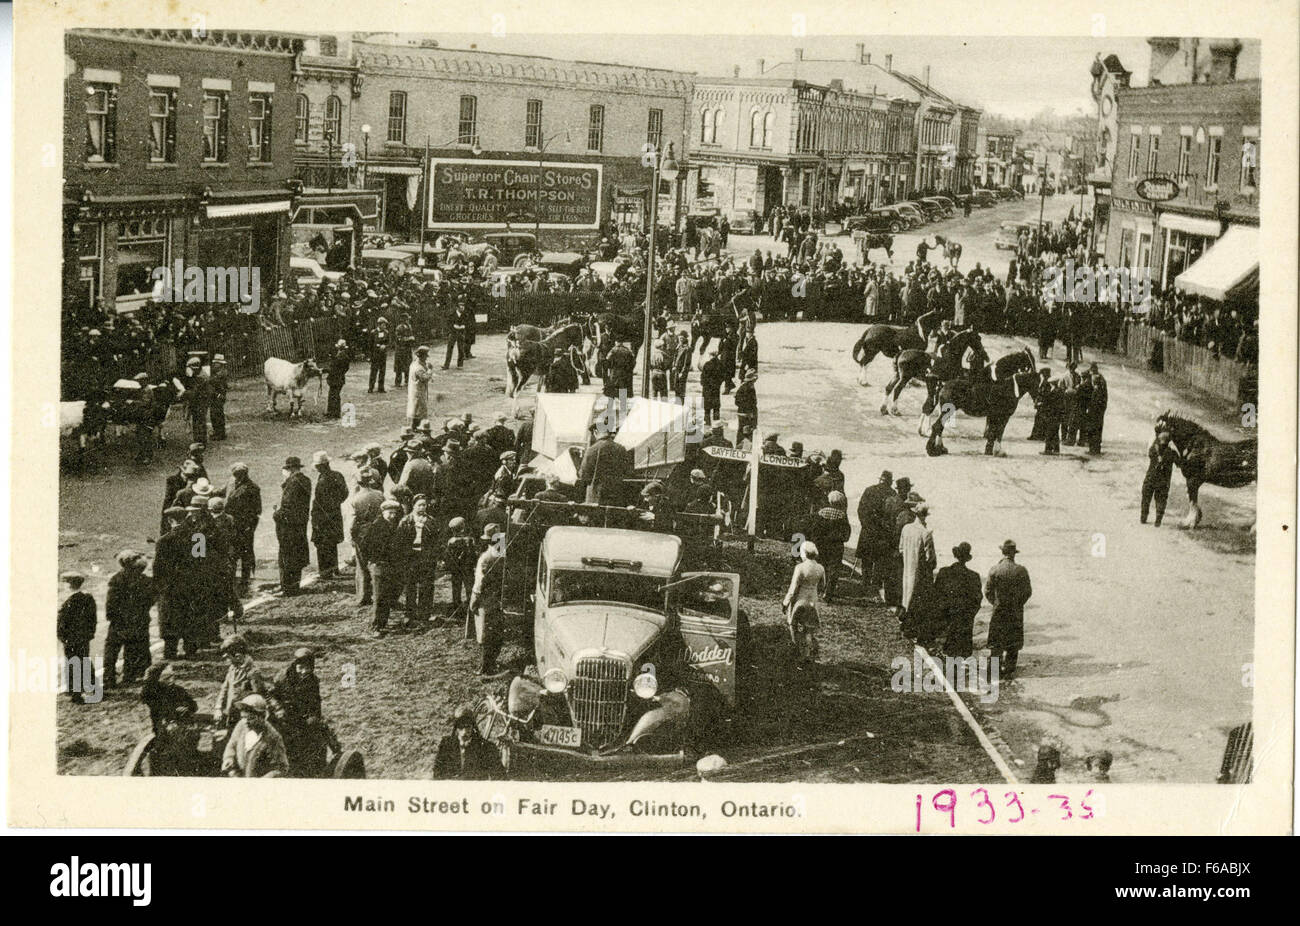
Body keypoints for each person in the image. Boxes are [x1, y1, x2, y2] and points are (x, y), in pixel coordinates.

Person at [269, 648, 336, 778]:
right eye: (300, 668)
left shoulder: (313, 680)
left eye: (307, 668)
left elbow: (316, 703)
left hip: (302, 716)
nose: (303, 672)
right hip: (283, 714)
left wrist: (314, 717)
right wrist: (278, 708)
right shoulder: (282, 677)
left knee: (316, 728)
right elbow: (270, 696)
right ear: (295, 665)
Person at [104, 550, 155, 687]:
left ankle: (109, 678)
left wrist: (111, 617)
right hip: (139, 619)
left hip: (119, 620)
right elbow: (151, 601)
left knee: (111, 650)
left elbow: (111, 603)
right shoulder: (146, 580)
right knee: (132, 648)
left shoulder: (116, 579)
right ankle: (129, 676)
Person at [985, 539, 1032, 676]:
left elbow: (987, 591)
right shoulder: (1021, 570)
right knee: (1013, 643)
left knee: (997, 643)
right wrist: (1017, 604)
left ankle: (994, 671)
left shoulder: (995, 570)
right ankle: (1009, 671)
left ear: (1003, 552)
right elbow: (1027, 592)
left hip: (999, 611)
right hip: (1015, 612)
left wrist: (996, 603)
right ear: (1014, 554)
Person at [362, 500, 404, 638]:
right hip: (379, 565)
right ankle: (375, 626)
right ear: (383, 512)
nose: (392, 515)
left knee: (387, 595)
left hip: (390, 565)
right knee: (379, 597)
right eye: (389, 513)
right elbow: (364, 546)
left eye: (394, 513)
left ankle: (383, 623)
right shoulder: (375, 526)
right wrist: (372, 561)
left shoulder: (393, 525)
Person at [221, 694, 289, 778]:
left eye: (250, 718)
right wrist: (228, 759)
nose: (246, 721)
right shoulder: (241, 725)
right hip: (239, 780)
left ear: (261, 717)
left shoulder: (273, 737)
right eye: (243, 717)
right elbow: (232, 744)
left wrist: (260, 782)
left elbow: (281, 768)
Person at [932, 542, 982, 657]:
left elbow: (935, 596)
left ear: (955, 555)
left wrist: (942, 615)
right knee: (963, 656)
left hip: (947, 621)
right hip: (965, 623)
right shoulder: (974, 576)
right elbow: (977, 601)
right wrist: (969, 616)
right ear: (968, 558)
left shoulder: (944, 572)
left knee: (949, 654)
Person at [471, 524, 507, 677]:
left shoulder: (485, 558)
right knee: (495, 633)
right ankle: (490, 663)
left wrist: (474, 600)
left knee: (486, 633)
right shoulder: (504, 554)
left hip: (486, 599)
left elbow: (479, 583)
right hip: (499, 598)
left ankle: (485, 668)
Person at [397, 494, 439, 627]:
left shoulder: (431, 521)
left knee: (426, 584)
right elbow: (400, 540)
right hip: (411, 556)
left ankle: (425, 613)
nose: (422, 507)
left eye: (424, 505)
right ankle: (410, 613)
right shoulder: (406, 520)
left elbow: (436, 540)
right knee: (410, 584)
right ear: (413, 506)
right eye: (419, 505)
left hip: (426, 556)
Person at [274, 456, 312, 596]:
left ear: (290, 469)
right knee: (296, 555)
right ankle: (293, 585)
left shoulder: (293, 483)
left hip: (289, 526)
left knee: (286, 556)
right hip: (300, 524)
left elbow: (287, 508)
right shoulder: (305, 480)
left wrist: (276, 513)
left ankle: (287, 588)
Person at [433, 706, 505, 780]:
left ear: (473, 727)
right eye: (461, 727)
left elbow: (499, 774)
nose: (464, 732)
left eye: (468, 727)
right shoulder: (446, 745)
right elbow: (437, 772)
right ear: (456, 728)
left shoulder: (485, 747)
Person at [855, 469, 895, 603]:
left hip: (868, 530)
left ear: (880, 479)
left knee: (867, 559)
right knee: (879, 560)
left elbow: (860, 509)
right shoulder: (892, 494)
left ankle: (865, 583)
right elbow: (892, 517)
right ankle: (875, 586)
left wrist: (865, 524)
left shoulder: (869, 490)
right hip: (882, 533)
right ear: (890, 482)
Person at [783, 541, 826, 664]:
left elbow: (793, 588)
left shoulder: (800, 567)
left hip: (799, 601)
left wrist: (785, 602)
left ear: (804, 553)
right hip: (812, 601)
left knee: (793, 624)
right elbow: (823, 585)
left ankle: (795, 649)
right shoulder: (821, 568)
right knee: (808, 629)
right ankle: (807, 654)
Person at [898, 503, 937, 639]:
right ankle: (912, 628)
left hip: (907, 566)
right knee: (917, 599)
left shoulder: (906, 528)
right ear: (925, 516)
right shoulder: (925, 533)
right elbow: (931, 560)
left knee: (907, 594)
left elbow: (901, 549)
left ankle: (904, 623)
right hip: (920, 571)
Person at [57, 573, 96, 704]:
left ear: (69, 584)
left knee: (72, 662)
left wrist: (61, 637)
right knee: (84, 659)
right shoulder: (88, 598)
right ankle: (92, 686)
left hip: (71, 637)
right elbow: (92, 619)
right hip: (84, 636)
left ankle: (75, 693)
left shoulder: (68, 601)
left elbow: (62, 622)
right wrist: (90, 633)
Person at [213, 634, 268, 728]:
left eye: (228, 656)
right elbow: (225, 689)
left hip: (245, 716)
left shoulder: (252, 672)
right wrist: (218, 707)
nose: (226, 659)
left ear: (238, 656)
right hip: (230, 713)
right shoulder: (232, 668)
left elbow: (258, 696)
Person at [309, 451, 349, 580]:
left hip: (323, 515)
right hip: (334, 513)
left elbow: (320, 500)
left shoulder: (323, 479)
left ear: (320, 466)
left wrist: (317, 515)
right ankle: (334, 568)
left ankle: (325, 573)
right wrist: (336, 503)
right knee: (332, 542)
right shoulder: (337, 475)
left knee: (322, 543)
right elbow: (345, 492)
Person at [224, 463, 262, 592]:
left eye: (240, 474)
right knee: (232, 552)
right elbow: (224, 492)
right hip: (231, 524)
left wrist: (250, 527)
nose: (237, 477)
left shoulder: (252, 488)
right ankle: (232, 577)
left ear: (245, 474)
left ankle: (245, 579)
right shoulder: (231, 482)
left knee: (246, 553)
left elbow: (257, 510)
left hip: (245, 525)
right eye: (235, 474)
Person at [808, 491, 852, 601]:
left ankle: (818, 589)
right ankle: (828, 593)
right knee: (834, 569)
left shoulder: (821, 512)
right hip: (836, 546)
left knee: (820, 565)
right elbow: (846, 534)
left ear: (830, 501)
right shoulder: (842, 516)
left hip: (821, 545)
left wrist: (816, 541)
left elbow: (815, 530)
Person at [350, 468, 384, 605]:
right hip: (377, 531)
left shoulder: (356, 499)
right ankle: (377, 593)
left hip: (362, 533)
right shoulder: (379, 494)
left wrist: (352, 537)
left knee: (362, 565)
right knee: (375, 562)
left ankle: (363, 596)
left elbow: (352, 522)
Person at [576, 426, 633, 506]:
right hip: (616, 495)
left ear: (595, 432)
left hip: (596, 497)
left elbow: (583, 475)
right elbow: (628, 472)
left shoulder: (591, 450)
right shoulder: (621, 449)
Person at [140, 662, 197, 735]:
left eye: (172, 677)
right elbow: (158, 709)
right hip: (164, 726)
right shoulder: (153, 693)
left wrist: (187, 707)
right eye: (166, 678)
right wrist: (175, 710)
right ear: (156, 679)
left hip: (184, 723)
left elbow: (193, 705)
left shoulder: (178, 690)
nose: (171, 680)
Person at [443, 517, 477, 637]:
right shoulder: (470, 540)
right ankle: (469, 607)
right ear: (463, 527)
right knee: (469, 587)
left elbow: (447, 556)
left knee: (456, 588)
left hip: (456, 569)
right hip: (467, 569)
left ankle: (456, 607)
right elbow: (474, 554)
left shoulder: (451, 541)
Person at [1141, 429, 1180, 526]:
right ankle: (1158, 518)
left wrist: (1156, 436)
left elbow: (1150, 453)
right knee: (1161, 499)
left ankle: (1143, 516)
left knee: (1146, 497)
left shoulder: (1153, 449)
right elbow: (1180, 464)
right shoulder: (1172, 453)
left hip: (1150, 478)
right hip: (1164, 481)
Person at [407, 346, 432, 430]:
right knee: (418, 411)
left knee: (416, 410)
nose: (426, 358)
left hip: (416, 391)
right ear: (421, 356)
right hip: (418, 392)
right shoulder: (418, 368)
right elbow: (425, 378)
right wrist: (430, 370)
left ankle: (414, 427)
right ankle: (416, 428)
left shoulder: (414, 364)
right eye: (425, 356)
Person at [1084, 365, 1108, 455]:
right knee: (1097, 431)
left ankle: (1093, 450)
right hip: (1099, 414)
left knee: (1093, 431)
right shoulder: (1101, 389)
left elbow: (1093, 404)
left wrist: (1089, 410)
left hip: (1094, 415)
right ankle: (1095, 449)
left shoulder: (1096, 392)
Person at [325, 339, 349, 419]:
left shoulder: (340, 356)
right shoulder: (344, 355)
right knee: (334, 395)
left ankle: (334, 414)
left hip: (336, 379)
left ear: (339, 347)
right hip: (339, 378)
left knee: (334, 395)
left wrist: (325, 370)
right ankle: (332, 412)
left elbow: (333, 368)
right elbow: (346, 368)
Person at [700, 349, 724, 426]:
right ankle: (716, 425)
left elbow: (703, 378)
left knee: (707, 409)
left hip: (707, 389)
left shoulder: (707, 364)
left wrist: (704, 384)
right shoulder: (720, 364)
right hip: (716, 389)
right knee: (716, 408)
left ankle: (707, 424)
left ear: (710, 355)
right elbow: (723, 376)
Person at [445, 300, 471, 369]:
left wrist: (464, 326)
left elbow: (468, 323)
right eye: (461, 307)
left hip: (461, 333)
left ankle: (460, 365)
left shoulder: (465, 315)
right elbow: (448, 323)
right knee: (450, 349)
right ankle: (446, 365)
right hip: (453, 333)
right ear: (457, 308)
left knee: (461, 349)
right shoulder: (452, 315)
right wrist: (453, 326)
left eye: (463, 306)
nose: (462, 308)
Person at [209, 354, 229, 441]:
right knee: (216, 414)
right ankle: (218, 432)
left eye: (216, 363)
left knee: (216, 414)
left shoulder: (221, 373)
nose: (214, 364)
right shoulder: (219, 372)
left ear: (220, 364)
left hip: (218, 396)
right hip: (217, 395)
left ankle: (219, 433)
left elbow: (214, 382)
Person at [368, 317, 390, 393]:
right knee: (374, 371)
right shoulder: (373, 333)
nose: (385, 326)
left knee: (382, 371)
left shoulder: (386, 332)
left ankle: (381, 387)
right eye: (383, 325)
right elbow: (370, 345)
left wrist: (385, 346)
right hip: (375, 355)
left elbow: (388, 342)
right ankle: (371, 387)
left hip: (383, 355)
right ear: (379, 325)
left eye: (385, 325)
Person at [393, 314, 414, 386]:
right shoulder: (399, 328)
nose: (408, 321)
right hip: (400, 349)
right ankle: (398, 382)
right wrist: (408, 339)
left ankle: (407, 380)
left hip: (407, 349)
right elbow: (398, 339)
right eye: (407, 319)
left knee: (408, 365)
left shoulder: (409, 327)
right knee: (399, 366)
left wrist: (411, 339)